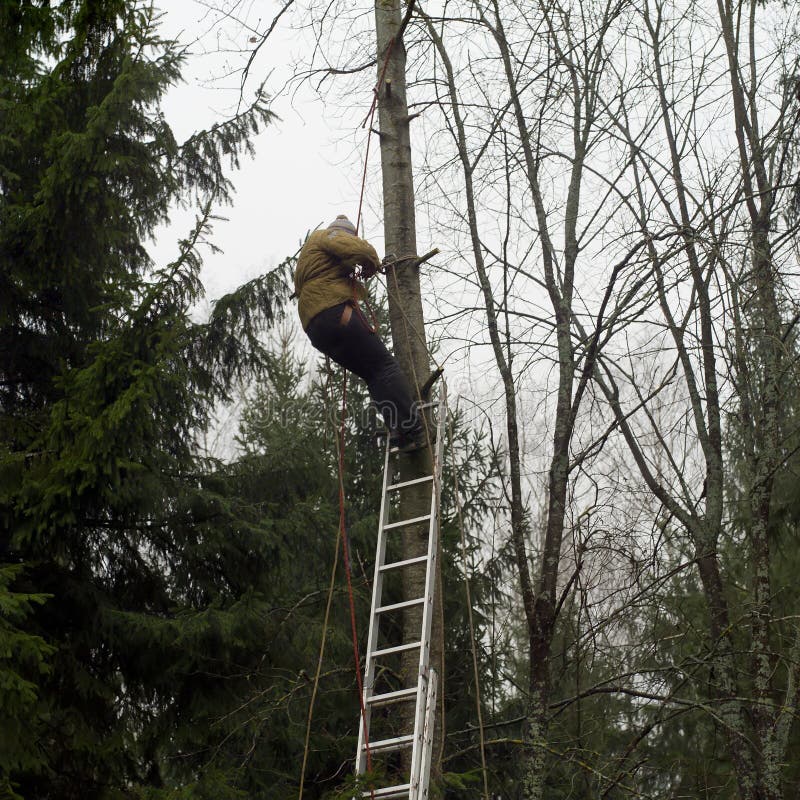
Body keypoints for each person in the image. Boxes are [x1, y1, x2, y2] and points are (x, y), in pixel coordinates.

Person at [294, 215, 425, 450]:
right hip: (333, 313)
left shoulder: (311, 261)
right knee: (385, 366)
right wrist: (371, 261)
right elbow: (358, 249)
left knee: (373, 373)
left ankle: (398, 431)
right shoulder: (326, 235)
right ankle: (414, 427)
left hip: (316, 328)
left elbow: (330, 274)